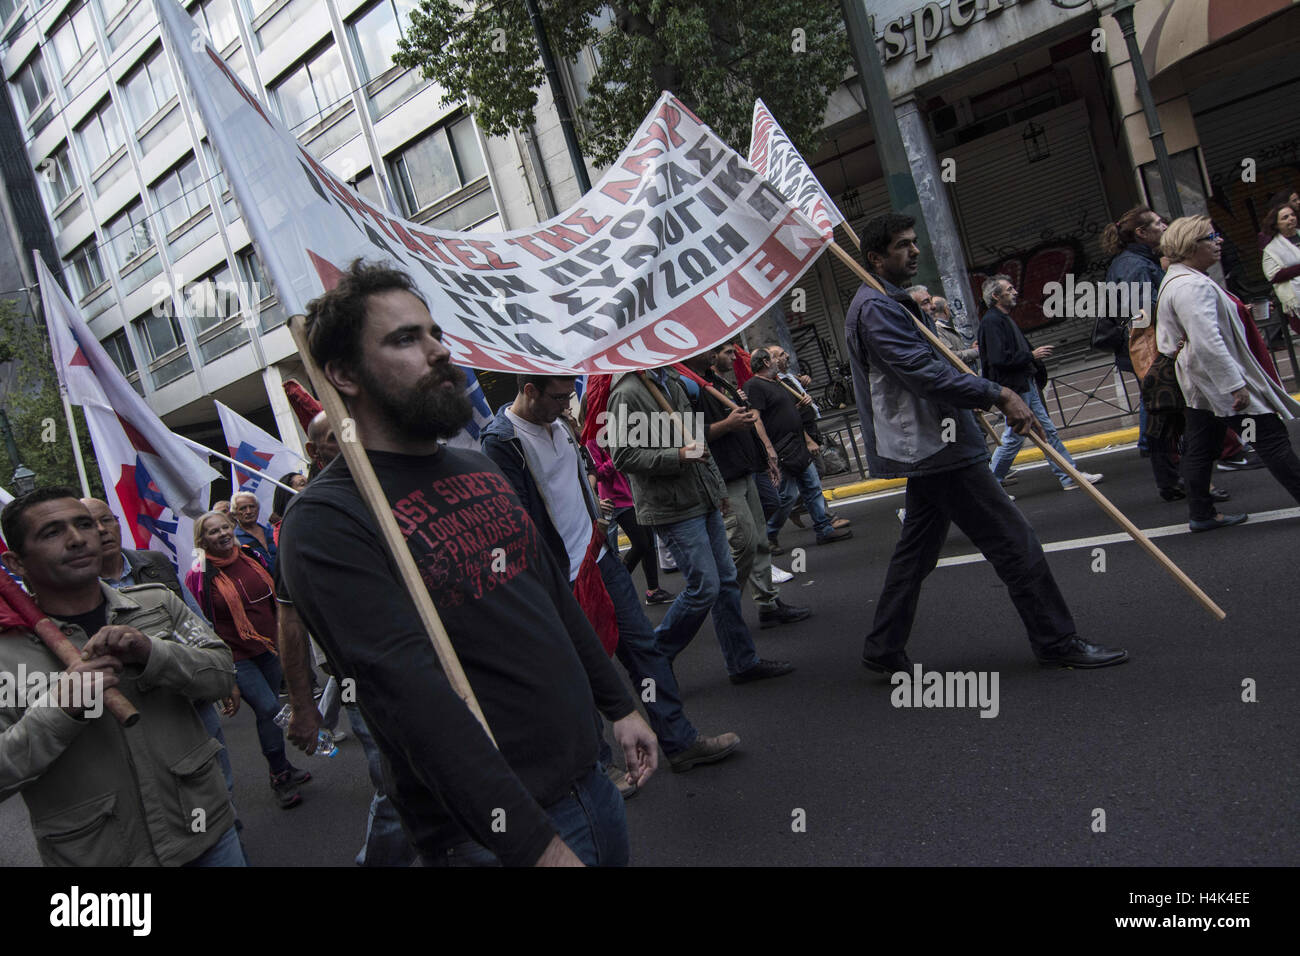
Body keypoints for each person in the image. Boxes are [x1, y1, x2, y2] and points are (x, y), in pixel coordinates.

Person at [279, 260, 656, 866]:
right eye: (405, 339)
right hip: (491, 834)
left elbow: (553, 602)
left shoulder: (478, 467)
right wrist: (538, 848)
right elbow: (410, 702)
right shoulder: (327, 522)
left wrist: (619, 706)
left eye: (435, 334)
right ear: (344, 374)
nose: (438, 352)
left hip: (592, 783)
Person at [846, 213, 1128, 672]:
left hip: (931, 445)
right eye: (902, 245)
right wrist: (995, 392)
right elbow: (920, 373)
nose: (914, 251)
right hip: (938, 446)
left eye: (915, 242)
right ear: (876, 258)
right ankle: (1056, 640)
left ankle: (882, 646)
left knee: (914, 555)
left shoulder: (890, 302)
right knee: (1015, 542)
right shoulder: (877, 307)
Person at [482, 374, 740, 778]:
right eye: (558, 397)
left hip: (600, 558)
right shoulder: (501, 442)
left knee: (643, 650)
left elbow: (578, 478)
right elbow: (514, 522)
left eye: (570, 396)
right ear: (529, 391)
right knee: (579, 670)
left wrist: (597, 521)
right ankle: (598, 767)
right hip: (558, 575)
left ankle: (680, 741)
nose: (567, 406)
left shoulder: (562, 424)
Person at [0, 488, 243, 866]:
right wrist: (59, 710)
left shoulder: (157, 604)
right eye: (51, 532)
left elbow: (221, 674)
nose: (78, 538)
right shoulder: (5, 655)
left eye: (84, 524)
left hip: (206, 835)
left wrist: (153, 653)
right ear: (15, 562)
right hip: (101, 858)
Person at [608, 365, 794, 685]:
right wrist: (677, 455)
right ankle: (655, 656)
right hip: (673, 506)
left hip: (704, 497)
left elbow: (696, 437)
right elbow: (624, 456)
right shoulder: (626, 392)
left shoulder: (673, 383)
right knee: (705, 586)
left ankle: (742, 661)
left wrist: (717, 489)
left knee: (725, 583)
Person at [81, 497, 241, 815]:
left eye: (107, 520)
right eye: (88, 525)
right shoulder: (82, 590)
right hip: (143, 715)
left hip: (193, 697)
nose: (101, 530)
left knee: (220, 787)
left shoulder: (154, 563)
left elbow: (199, 624)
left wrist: (225, 678)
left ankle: (226, 832)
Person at [1156, 216, 1300, 531]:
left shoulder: (1182, 279)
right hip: (1216, 379)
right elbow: (1208, 342)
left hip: (1200, 381)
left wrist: (1237, 312)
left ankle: (1202, 513)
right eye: (1212, 236)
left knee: (1202, 444)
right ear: (1192, 245)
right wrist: (1234, 385)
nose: (1219, 241)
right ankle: (1203, 513)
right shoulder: (1191, 286)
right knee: (1272, 438)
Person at [681, 344, 812, 628]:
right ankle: (725, 608)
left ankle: (768, 604)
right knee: (744, 544)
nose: (724, 355)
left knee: (759, 541)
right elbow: (689, 439)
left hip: (745, 469)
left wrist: (763, 456)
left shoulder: (715, 383)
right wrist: (727, 424)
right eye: (717, 350)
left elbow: (746, 422)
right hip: (723, 476)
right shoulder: (686, 388)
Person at [186, 510, 310, 808]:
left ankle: (281, 764)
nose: (222, 534)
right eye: (213, 532)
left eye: (225, 528)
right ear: (202, 540)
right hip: (235, 655)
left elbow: (275, 595)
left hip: (269, 647)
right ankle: (280, 775)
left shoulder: (251, 555)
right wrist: (223, 672)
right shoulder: (198, 572)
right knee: (269, 708)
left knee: (271, 709)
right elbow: (200, 623)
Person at [979, 274, 1103, 491]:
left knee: (1047, 431)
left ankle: (1069, 476)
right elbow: (999, 359)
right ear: (996, 296)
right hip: (1015, 388)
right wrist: (1031, 355)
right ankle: (988, 489)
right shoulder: (992, 322)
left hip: (1025, 384)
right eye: (1009, 289)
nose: (1015, 292)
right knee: (1015, 438)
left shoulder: (1003, 318)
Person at [1102, 206, 1186, 499]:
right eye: (1159, 223)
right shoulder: (1133, 265)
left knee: (1164, 413)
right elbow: (1143, 311)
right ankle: (1177, 481)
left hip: (1151, 350)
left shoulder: (1135, 261)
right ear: (1142, 232)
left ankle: (1177, 479)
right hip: (1153, 351)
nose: (1164, 226)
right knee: (1167, 413)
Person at [746, 348, 852, 546]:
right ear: (766, 362)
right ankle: (769, 534)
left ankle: (824, 528)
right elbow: (756, 419)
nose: (779, 360)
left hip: (798, 446)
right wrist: (768, 449)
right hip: (781, 449)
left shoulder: (778, 382)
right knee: (787, 496)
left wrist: (806, 432)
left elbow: (785, 413)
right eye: (773, 358)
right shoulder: (754, 386)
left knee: (812, 487)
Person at [1261, 201, 1300, 334]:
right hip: (1296, 302)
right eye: (1285, 217)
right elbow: (1273, 275)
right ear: (1276, 225)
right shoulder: (1272, 249)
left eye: (1292, 215)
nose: (1291, 218)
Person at [924, 291, 979, 366]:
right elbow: (951, 355)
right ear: (946, 309)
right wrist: (975, 351)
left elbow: (956, 350)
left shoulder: (942, 327)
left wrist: (971, 349)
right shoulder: (937, 329)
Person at [230, 491, 277, 573]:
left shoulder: (272, 531)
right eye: (243, 508)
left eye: (252, 507)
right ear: (234, 514)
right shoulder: (234, 539)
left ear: (258, 509)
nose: (248, 511)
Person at [270, 472, 308, 544]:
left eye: (309, 481)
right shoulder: (283, 531)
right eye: (302, 484)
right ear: (289, 495)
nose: (310, 486)